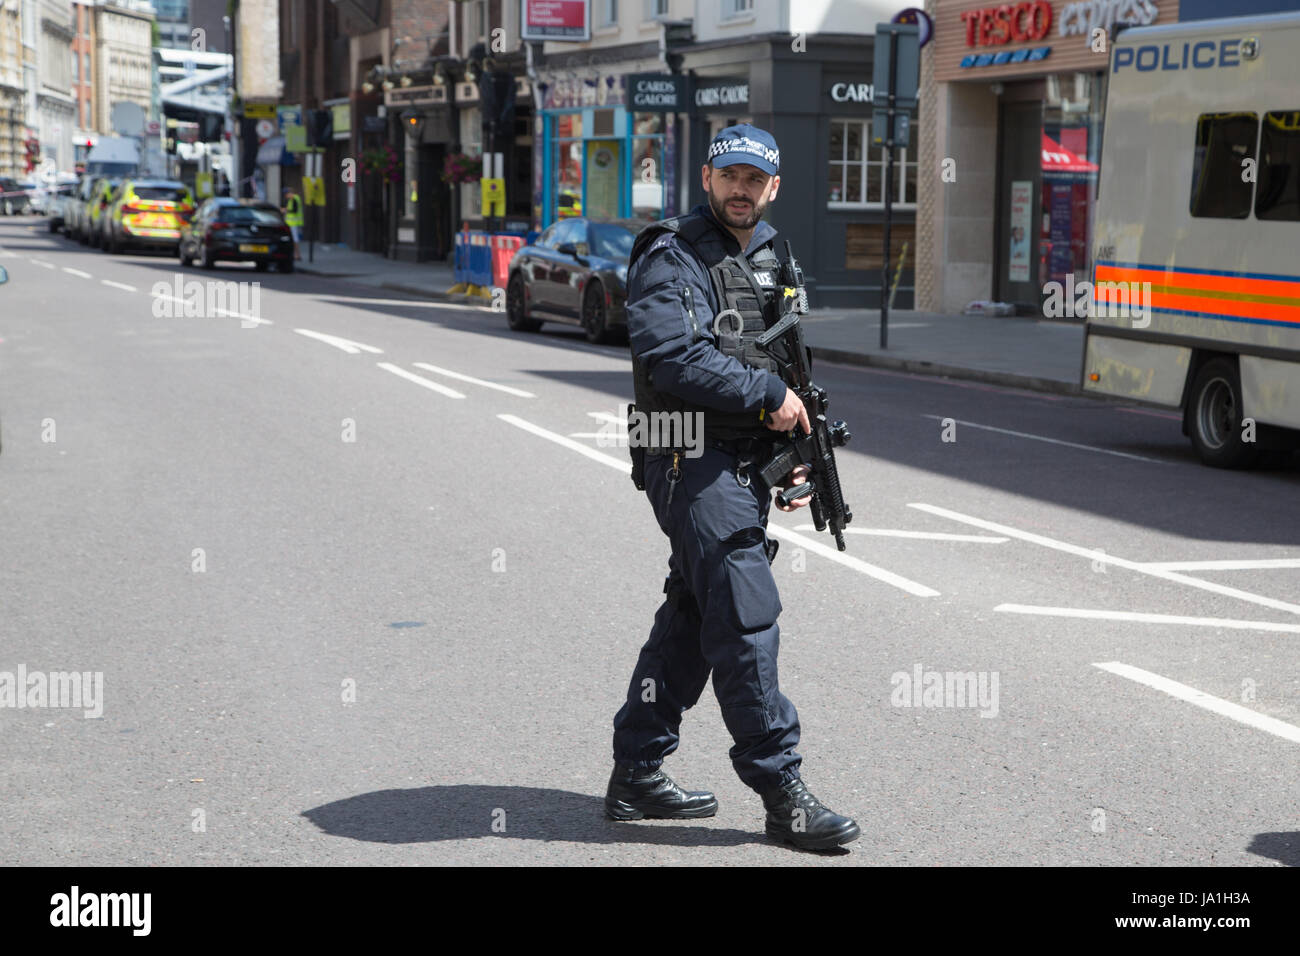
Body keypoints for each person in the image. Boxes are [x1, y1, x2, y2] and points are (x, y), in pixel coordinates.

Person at [607, 124, 861, 852]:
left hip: (742, 459)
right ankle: (782, 789)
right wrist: (769, 398)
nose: (741, 189)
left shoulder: (774, 255)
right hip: (682, 450)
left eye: (756, 178)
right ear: (708, 177)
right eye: (730, 175)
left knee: (694, 609)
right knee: (745, 607)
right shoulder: (671, 252)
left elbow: (788, 359)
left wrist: (798, 444)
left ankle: (637, 771)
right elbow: (671, 359)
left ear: (773, 185)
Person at [281, 187, 303, 260]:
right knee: (293, 239)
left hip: (294, 223)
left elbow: (294, 210)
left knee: (295, 239)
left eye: (286, 194)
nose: (286, 196)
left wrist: (285, 210)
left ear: (290, 193)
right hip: (290, 223)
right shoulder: (291, 200)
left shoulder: (294, 199)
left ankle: (297, 254)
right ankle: (295, 254)